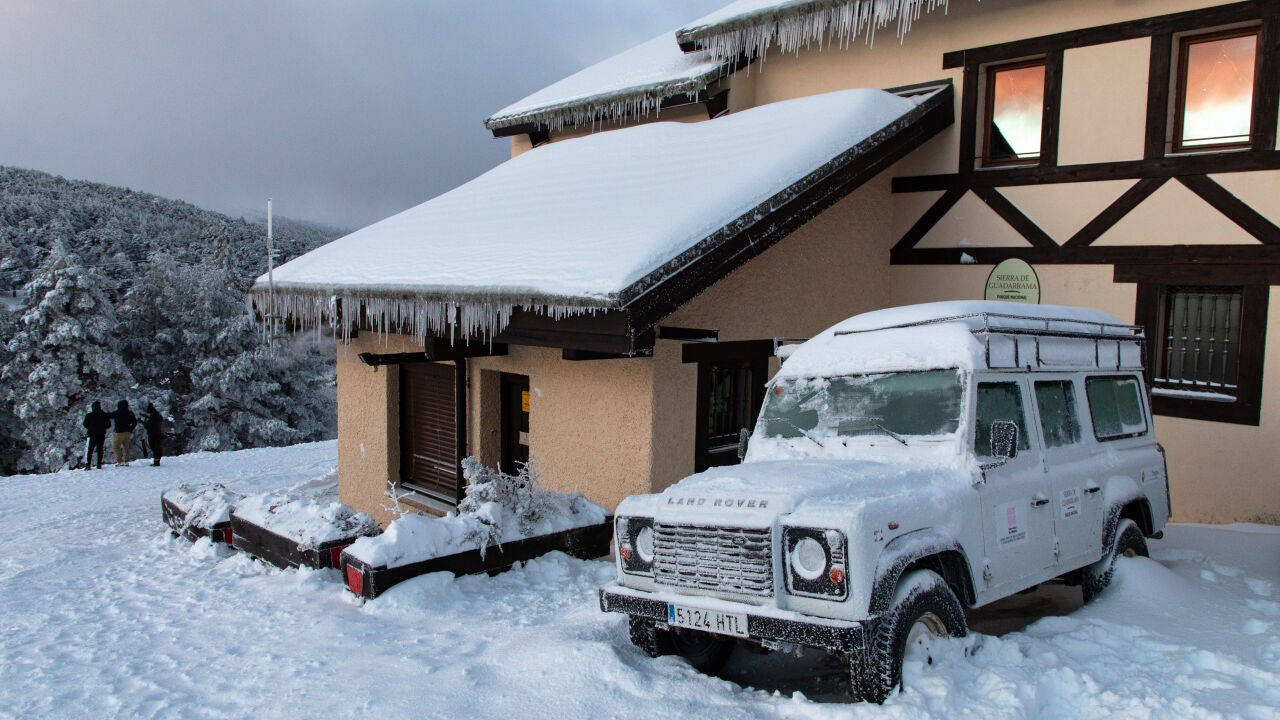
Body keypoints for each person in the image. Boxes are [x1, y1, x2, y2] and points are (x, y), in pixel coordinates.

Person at [81, 401, 111, 470]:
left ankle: (88, 465)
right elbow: (109, 425)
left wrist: (90, 428)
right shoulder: (104, 415)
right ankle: (99, 464)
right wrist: (103, 428)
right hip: (101, 434)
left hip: (92, 435)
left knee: (90, 450)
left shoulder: (89, 415)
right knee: (100, 449)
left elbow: (85, 424)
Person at [110, 399, 137, 466]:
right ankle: (126, 461)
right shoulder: (130, 413)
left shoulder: (117, 412)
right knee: (126, 447)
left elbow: (109, 415)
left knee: (115, 446)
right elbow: (135, 422)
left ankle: (120, 461)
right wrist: (131, 429)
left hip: (119, 432)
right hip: (128, 432)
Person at [142, 402, 165, 467]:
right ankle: (157, 460)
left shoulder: (152, 419)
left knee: (154, 448)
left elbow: (148, 427)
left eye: (148, 413)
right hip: (159, 434)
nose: (148, 414)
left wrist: (143, 423)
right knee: (157, 448)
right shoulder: (159, 416)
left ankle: (156, 462)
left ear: (150, 412)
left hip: (153, 435)